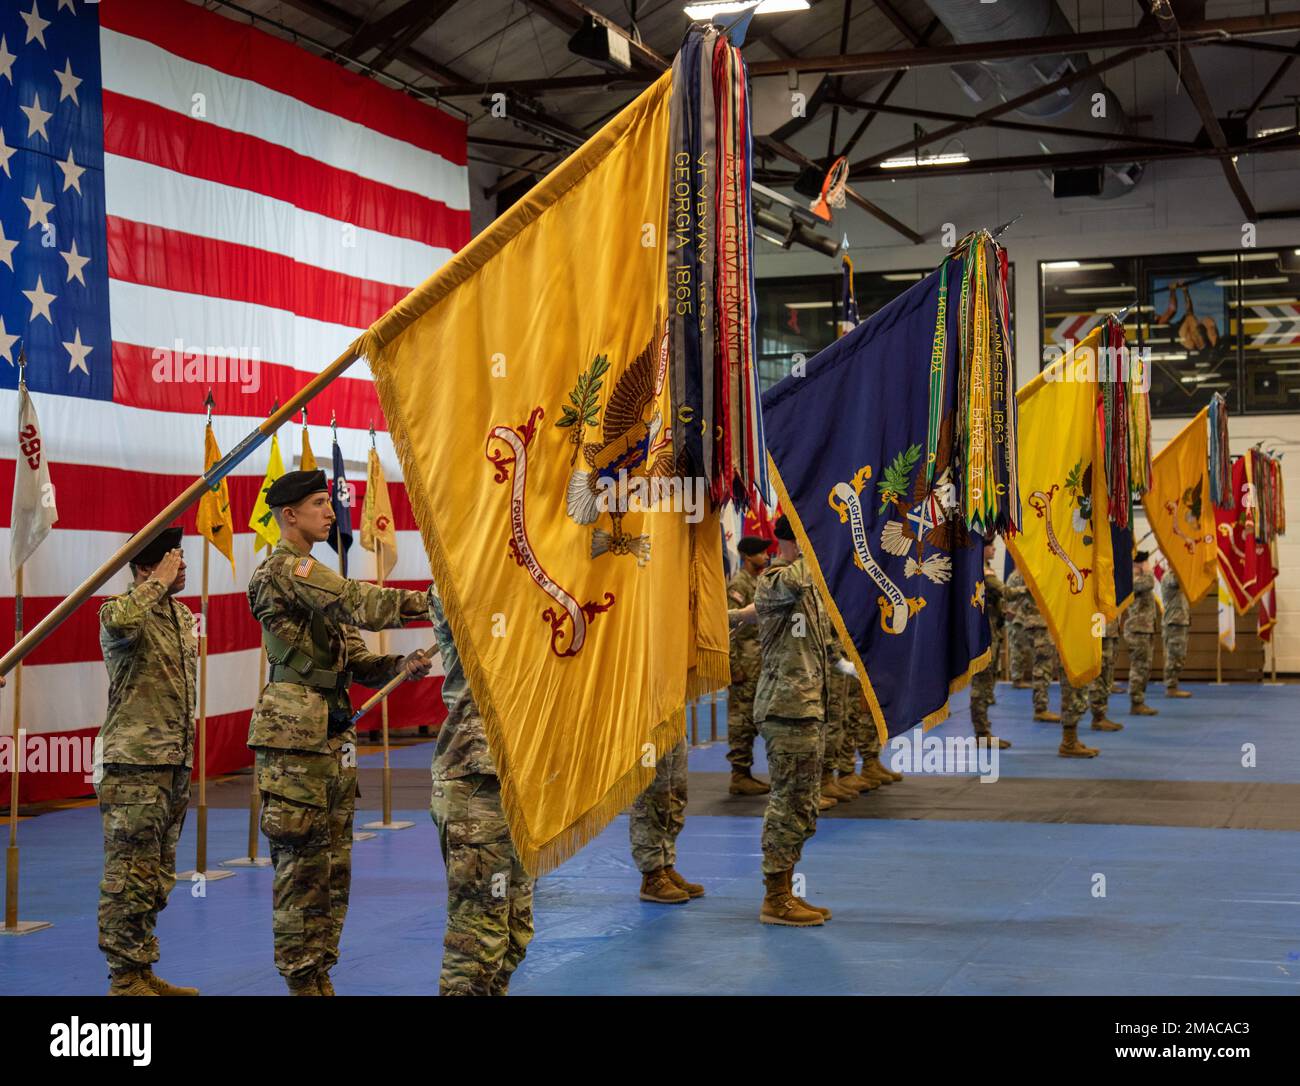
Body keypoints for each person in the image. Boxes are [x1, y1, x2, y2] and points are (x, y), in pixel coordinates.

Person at [247, 469, 434, 995]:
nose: (331, 513)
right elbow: (361, 603)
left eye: (329, 503)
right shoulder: (287, 570)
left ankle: (320, 973)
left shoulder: (316, 576)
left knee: (333, 867)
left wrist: (400, 663)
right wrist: (437, 600)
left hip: (328, 735)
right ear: (289, 515)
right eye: (318, 504)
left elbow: (354, 657)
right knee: (302, 869)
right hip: (294, 742)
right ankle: (303, 980)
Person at [95, 527, 200, 996]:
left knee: (156, 874)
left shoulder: (179, 614)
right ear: (146, 568)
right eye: (175, 559)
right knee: (128, 874)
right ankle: (122, 978)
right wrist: (154, 582)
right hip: (134, 763)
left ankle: (140, 966)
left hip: (173, 762)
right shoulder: (120, 610)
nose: (183, 567)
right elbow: (119, 623)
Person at [428, 584, 534, 994]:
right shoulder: (460, 575)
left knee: (514, 929)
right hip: (475, 779)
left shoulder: (519, 575)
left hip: (517, 777)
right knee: (477, 933)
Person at [752, 516, 836, 927]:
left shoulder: (813, 591)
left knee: (803, 805)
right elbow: (795, 581)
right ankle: (774, 897)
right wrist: (814, 543)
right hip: (785, 710)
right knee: (787, 803)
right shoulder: (774, 581)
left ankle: (787, 889)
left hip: (809, 710)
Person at [725, 536, 773, 796]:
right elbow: (728, 628)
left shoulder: (759, 582)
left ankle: (746, 772)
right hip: (743, 662)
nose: (766, 556)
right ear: (748, 556)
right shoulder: (738, 585)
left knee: (753, 719)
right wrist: (733, 666)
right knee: (741, 719)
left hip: (758, 663)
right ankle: (739, 775)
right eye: (761, 553)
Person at [971, 542, 1011, 749]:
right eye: (990, 546)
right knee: (981, 685)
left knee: (986, 684)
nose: (994, 550)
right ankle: (981, 733)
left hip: (990, 633)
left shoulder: (983, 570)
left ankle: (984, 731)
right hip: (983, 637)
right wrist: (1031, 587)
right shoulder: (983, 573)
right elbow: (1006, 591)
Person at [1124, 551, 1159, 716]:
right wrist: (1147, 570)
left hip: (1144, 628)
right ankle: (1136, 702)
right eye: (1144, 562)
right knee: (1139, 667)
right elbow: (1150, 582)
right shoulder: (1132, 580)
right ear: (1136, 564)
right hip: (1137, 630)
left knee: (1144, 666)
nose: (1147, 565)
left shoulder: (1140, 579)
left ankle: (1139, 700)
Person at [1088, 614, 1123, 731]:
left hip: (1110, 623)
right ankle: (1098, 717)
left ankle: (1101, 715)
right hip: (1098, 620)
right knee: (1099, 669)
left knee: (1107, 669)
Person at [1160, 568, 1192, 698]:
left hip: (1180, 621)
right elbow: (1180, 580)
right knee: (1174, 656)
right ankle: (1171, 687)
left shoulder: (1175, 575)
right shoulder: (1170, 577)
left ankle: (1173, 684)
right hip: (1173, 623)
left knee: (1179, 656)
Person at [1004, 566, 1032, 688]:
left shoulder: (1028, 575)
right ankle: (1017, 679)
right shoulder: (1014, 577)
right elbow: (1008, 597)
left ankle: (1025, 676)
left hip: (1027, 618)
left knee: (1026, 650)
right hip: (1016, 618)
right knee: (1017, 649)